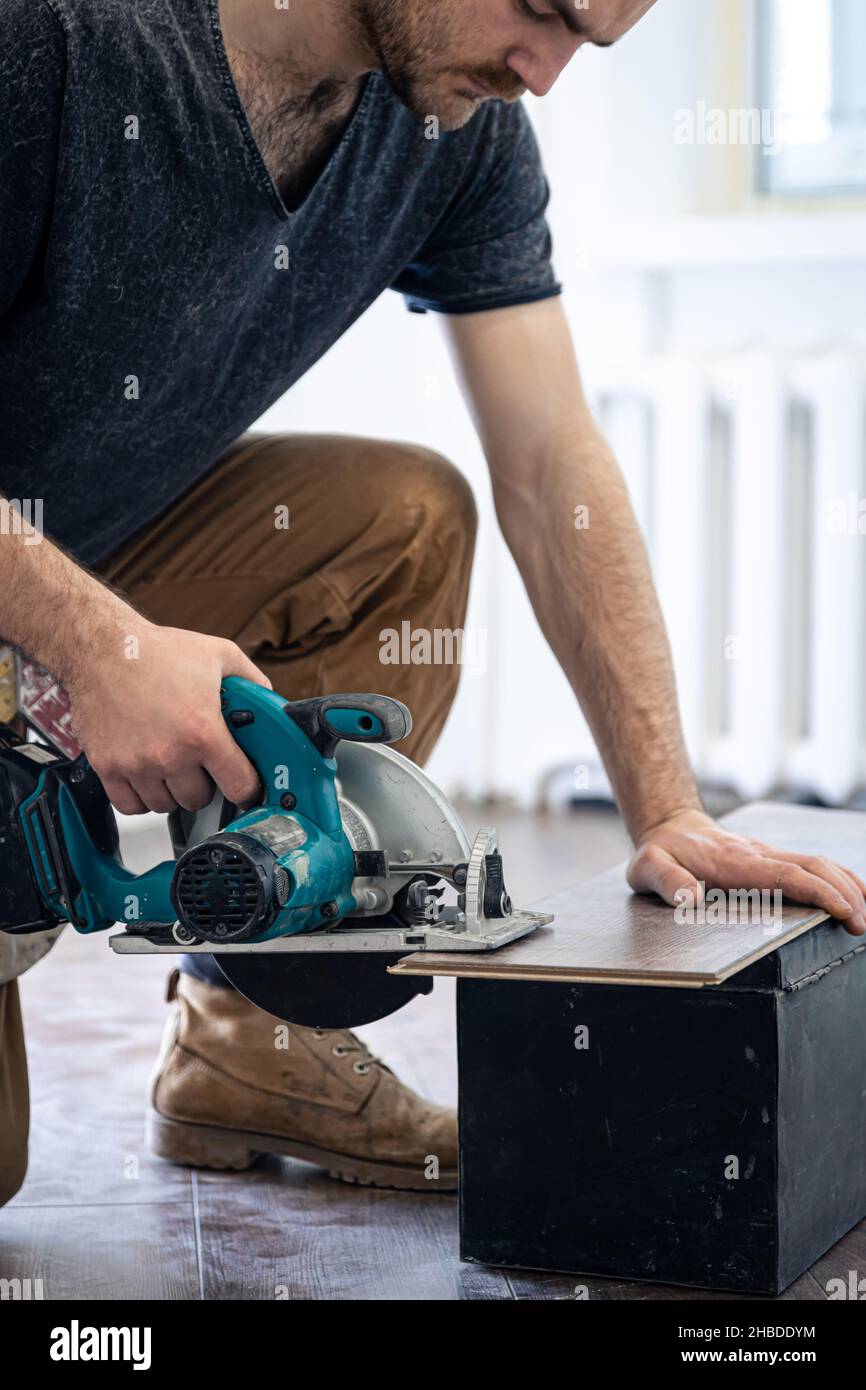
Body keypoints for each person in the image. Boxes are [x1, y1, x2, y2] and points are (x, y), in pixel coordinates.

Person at [1, 0, 864, 1205]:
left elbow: (550, 454)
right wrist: (98, 645)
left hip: (51, 561)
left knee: (398, 519)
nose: (545, 72)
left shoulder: (460, 132)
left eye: (588, 43)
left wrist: (665, 810)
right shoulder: (54, 42)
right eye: (540, 11)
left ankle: (254, 1035)